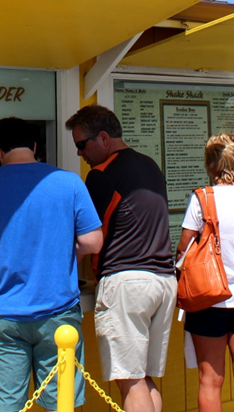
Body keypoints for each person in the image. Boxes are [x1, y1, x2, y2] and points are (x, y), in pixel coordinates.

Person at [0, 117, 103, 412]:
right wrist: (59, 253)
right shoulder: (69, 182)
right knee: (62, 405)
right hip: (58, 314)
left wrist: (2, 257)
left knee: (8, 408)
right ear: (36, 147)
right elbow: (92, 242)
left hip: (3, 315)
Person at [67, 105, 177, 412]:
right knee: (145, 378)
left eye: (81, 144)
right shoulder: (150, 165)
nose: (80, 154)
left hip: (126, 283)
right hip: (164, 281)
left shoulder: (101, 175)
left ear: (103, 138)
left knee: (130, 381)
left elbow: (88, 239)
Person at [176, 133, 234, 412]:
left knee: (210, 381)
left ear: (210, 163)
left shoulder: (201, 198)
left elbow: (184, 248)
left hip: (208, 299)